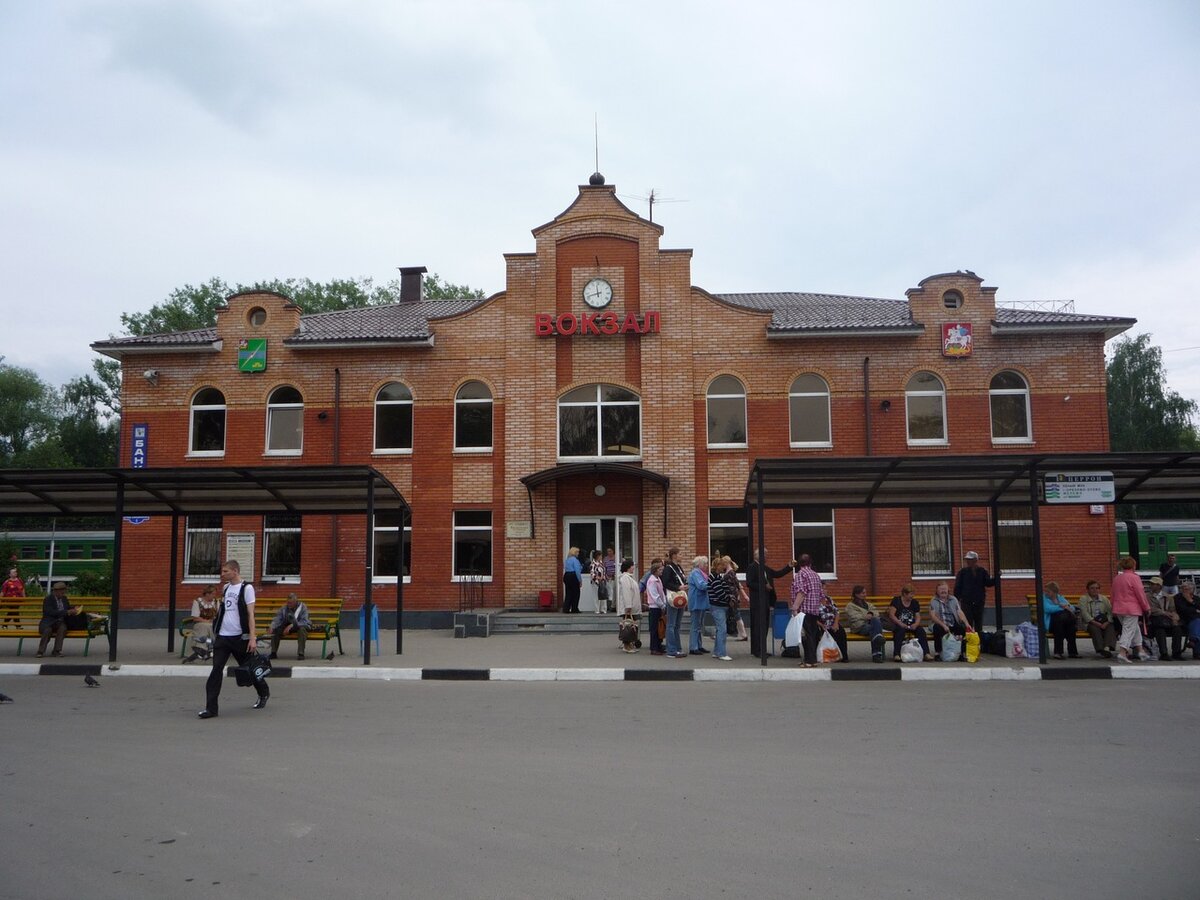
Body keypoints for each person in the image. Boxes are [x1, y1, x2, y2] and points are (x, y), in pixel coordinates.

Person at [198, 559, 269, 719]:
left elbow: (250, 614)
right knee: (216, 670)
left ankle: (263, 692)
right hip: (223, 637)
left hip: (240, 638)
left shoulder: (247, 588)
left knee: (250, 669)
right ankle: (211, 709)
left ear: (235, 571)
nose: (222, 574)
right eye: (222, 571)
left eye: (225, 571)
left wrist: (252, 637)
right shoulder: (226, 588)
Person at [746, 550, 794, 657]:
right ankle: (757, 650)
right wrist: (764, 587)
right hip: (757, 602)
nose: (766, 557)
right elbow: (750, 583)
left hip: (766, 601)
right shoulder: (752, 567)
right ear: (758, 556)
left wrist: (789, 567)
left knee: (765, 625)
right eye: (765, 555)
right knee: (759, 626)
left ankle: (761, 648)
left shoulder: (765, 568)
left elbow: (777, 574)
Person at [789, 554, 826, 668]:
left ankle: (809, 660)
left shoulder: (801, 574)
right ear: (810, 563)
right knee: (813, 635)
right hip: (814, 610)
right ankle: (811, 659)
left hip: (804, 610)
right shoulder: (815, 575)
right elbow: (821, 594)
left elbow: (801, 592)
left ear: (799, 564)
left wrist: (795, 607)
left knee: (806, 636)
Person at [1111, 556, 1150, 663]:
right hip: (1131, 609)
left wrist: (1113, 607)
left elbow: (1113, 594)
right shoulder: (1134, 578)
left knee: (1134, 628)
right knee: (1128, 630)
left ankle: (1141, 651)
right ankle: (1122, 652)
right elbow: (1140, 594)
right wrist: (1146, 607)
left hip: (1119, 608)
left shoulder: (1117, 578)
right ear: (1133, 565)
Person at [886, 584, 930, 661]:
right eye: (911, 594)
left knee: (921, 631)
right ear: (904, 594)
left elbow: (918, 616)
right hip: (899, 624)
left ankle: (926, 653)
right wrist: (901, 624)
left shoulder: (914, 602)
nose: (912, 596)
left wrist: (916, 624)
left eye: (913, 594)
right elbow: (891, 615)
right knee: (900, 632)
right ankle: (896, 654)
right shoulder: (896, 600)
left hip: (911, 624)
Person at [929, 581, 972, 660]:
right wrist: (943, 625)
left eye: (945, 589)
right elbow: (933, 616)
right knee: (937, 628)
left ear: (948, 590)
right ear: (937, 591)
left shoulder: (953, 599)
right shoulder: (934, 601)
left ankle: (962, 654)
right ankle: (938, 653)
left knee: (961, 629)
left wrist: (967, 623)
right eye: (941, 589)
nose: (943, 591)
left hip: (952, 623)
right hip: (940, 623)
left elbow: (959, 612)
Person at [954, 550, 995, 633]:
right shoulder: (962, 572)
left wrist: (997, 578)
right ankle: (968, 641)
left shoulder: (982, 571)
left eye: (971, 559)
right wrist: (957, 599)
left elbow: (988, 583)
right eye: (967, 560)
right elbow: (957, 586)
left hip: (979, 601)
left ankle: (979, 640)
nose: (968, 562)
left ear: (976, 560)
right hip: (966, 602)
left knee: (978, 623)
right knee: (967, 622)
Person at [842, 584, 886, 662]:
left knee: (875, 625)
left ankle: (877, 638)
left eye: (865, 593)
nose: (865, 595)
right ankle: (877, 655)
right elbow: (854, 617)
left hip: (870, 626)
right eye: (863, 593)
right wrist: (867, 616)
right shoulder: (850, 606)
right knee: (876, 630)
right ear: (856, 594)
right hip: (859, 627)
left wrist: (871, 614)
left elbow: (876, 612)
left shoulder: (868, 604)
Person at [37, 582, 80, 658]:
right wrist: (67, 612)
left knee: (63, 628)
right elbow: (50, 612)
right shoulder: (48, 599)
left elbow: (67, 607)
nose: (63, 594)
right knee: (47, 631)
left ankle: (57, 651)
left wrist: (73, 609)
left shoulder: (64, 598)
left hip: (59, 622)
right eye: (62, 592)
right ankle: (40, 651)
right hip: (48, 622)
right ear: (56, 591)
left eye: (64, 592)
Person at [1147, 576, 1184, 660]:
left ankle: (1177, 653)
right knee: (1160, 630)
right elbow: (1150, 609)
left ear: (1159, 586)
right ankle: (1164, 653)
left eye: (1153, 584)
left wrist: (1174, 616)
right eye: (1151, 584)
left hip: (1167, 621)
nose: (1151, 585)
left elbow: (1172, 609)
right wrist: (1164, 612)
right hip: (1154, 621)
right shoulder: (1147, 596)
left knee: (1177, 629)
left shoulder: (1168, 597)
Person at [1078, 580, 1116, 659]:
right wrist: (1094, 622)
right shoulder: (1083, 599)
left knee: (1111, 627)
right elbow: (1084, 613)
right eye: (1092, 588)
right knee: (1095, 629)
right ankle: (1100, 649)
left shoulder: (1104, 599)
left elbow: (1110, 612)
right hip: (1090, 622)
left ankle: (1107, 648)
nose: (1095, 590)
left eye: (1097, 588)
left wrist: (1107, 622)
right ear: (1087, 589)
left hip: (1103, 621)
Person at [1041, 581, 1080, 660]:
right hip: (1051, 624)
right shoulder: (1044, 598)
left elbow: (1071, 607)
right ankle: (1059, 652)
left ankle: (1071, 652)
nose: (1046, 593)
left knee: (1071, 628)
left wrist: (1065, 607)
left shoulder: (1060, 598)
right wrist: (1061, 607)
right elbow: (1047, 609)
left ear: (1054, 592)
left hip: (1064, 624)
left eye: (1048, 591)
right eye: (1045, 591)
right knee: (1060, 623)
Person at [269, 592, 312, 660]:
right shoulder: (284, 608)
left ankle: (301, 653)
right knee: (275, 630)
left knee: (302, 630)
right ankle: (273, 652)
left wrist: (292, 625)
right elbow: (278, 618)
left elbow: (305, 621)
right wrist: (272, 626)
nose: (288, 604)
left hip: (300, 625)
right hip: (287, 626)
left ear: (295, 602)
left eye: (290, 603)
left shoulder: (303, 607)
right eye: (288, 602)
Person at [661, 548, 688, 659]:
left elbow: (682, 579)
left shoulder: (678, 567)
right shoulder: (669, 568)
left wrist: (685, 585)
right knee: (671, 625)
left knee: (677, 625)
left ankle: (678, 648)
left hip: (680, 597)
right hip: (673, 598)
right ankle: (671, 650)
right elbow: (665, 583)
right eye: (680, 554)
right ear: (674, 556)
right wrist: (678, 587)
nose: (682, 555)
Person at [182, 585, 219, 663]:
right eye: (213, 594)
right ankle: (207, 648)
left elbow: (218, 615)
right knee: (205, 626)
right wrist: (206, 621)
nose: (214, 596)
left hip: (213, 623)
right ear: (207, 594)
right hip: (200, 623)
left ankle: (200, 649)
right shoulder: (197, 602)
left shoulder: (216, 602)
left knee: (210, 626)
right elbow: (195, 618)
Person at [706, 557, 733, 661]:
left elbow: (725, 589)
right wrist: (729, 598)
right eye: (722, 565)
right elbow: (720, 593)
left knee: (719, 630)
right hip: (718, 606)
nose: (724, 567)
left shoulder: (717, 576)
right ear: (717, 566)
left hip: (718, 606)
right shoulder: (715, 578)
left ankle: (717, 652)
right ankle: (721, 653)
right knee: (722, 629)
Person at [687, 555, 711, 655]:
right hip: (696, 602)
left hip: (700, 602)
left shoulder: (701, 573)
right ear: (699, 564)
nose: (706, 565)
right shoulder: (696, 573)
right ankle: (693, 647)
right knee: (695, 625)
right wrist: (712, 584)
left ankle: (699, 645)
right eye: (705, 563)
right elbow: (701, 585)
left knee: (699, 625)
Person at [816, 592, 848, 662]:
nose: (824, 591)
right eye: (822, 588)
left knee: (841, 632)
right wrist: (821, 625)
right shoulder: (814, 600)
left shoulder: (829, 599)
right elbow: (812, 618)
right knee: (818, 633)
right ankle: (823, 656)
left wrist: (836, 623)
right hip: (821, 624)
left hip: (832, 623)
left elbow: (837, 612)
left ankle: (844, 656)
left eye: (825, 589)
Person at [644, 558, 668, 655]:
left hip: (659, 606)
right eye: (660, 570)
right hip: (654, 607)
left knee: (659, 627)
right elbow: (655, 595)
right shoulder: (652, 581)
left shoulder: (658, 579)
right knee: (654, 628)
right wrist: (662, 605)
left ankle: (658, 645)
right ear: (655, 571)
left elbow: (662, 593)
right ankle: (654, 648)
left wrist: (664, 602)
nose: (661, 571)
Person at [1175, 581, 1200, 660]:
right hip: (1184, 620)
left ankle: (1193, 641)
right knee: (1198, 621)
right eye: (1182, 589)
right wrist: (1195, 610)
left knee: (1198, 622)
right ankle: (1197, 652)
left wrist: (1190, 601)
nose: (1184, 590)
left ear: (1192, 590)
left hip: (1195, 621)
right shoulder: (1178, 597)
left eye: (1187, 589)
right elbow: (1182, 610)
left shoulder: (1196, 598)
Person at [562, 547, 582, 614]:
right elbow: (577, 571)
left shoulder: (567, 560)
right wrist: (580, 580)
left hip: (566, 575)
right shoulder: (575, 560)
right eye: (577, 552)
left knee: (569, 593)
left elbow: (564, 567)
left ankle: (566, 608)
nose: (578, 554)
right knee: (576, 593)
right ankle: (574, 608)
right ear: (574, 552)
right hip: (573, 576)